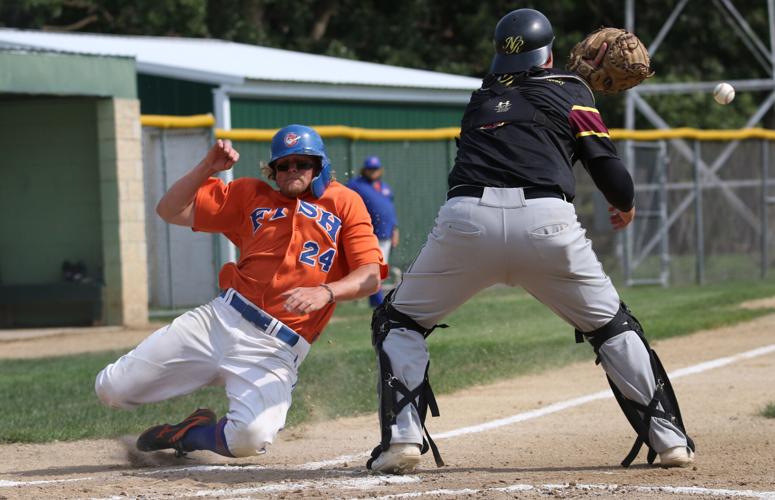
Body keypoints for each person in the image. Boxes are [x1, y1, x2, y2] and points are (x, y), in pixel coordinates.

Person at [365, 8, 695, 475]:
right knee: (611, 326)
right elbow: (614, 181)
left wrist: (563, 73)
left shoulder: (481, 95)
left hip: (466, 224)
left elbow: (526, 94)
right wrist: (625, 202)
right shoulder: (576, 93)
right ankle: (669, 439)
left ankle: (402, 439)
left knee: (399, 320)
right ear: (551, 53)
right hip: (548, 226)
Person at [95, 125, 385, 459]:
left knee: (249, 438)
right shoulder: (251, 195)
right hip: (220, 320)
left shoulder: (345, 202)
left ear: (319, 166)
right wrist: (207, 167)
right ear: (273, 171)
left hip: (275, 347)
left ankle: (190, 435)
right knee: (111, 388)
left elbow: (369, 277)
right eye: (284, 164)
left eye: (302, 163)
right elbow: (169, 210)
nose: (292, 170)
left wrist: (326, 292)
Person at [346, 156, 399, 307]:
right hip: (371, 234)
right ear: (364, 169)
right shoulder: (356, 185)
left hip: (387, 234)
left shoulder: (385, 187)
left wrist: (395, 229)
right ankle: (377, 301)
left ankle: (375, 300)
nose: (373, 172)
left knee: (381, 268)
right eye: (370, 169)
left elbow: (390, 211)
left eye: (375, 169)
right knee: (375, 268)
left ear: (381, 170)